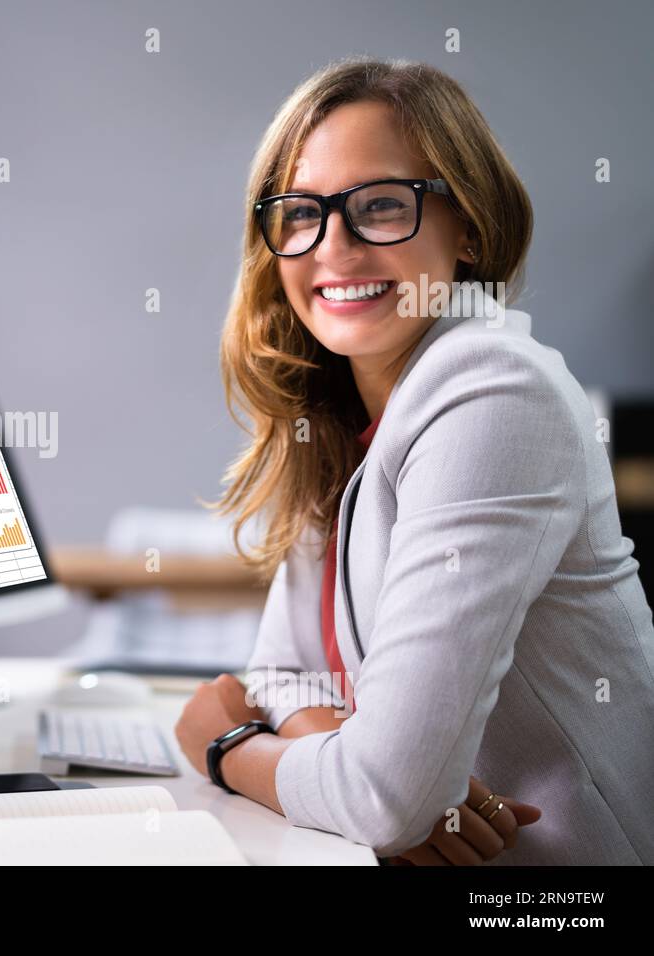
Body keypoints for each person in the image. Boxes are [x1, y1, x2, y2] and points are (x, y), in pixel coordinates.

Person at [174, 57, 654, 865]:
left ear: (468, 226)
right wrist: (359, 764)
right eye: (300, 214)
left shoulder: (496, 390)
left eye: (381, 206)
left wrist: (228, 748)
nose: (333, 246)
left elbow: (380, 797)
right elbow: (283, 675)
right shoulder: (341, 416)